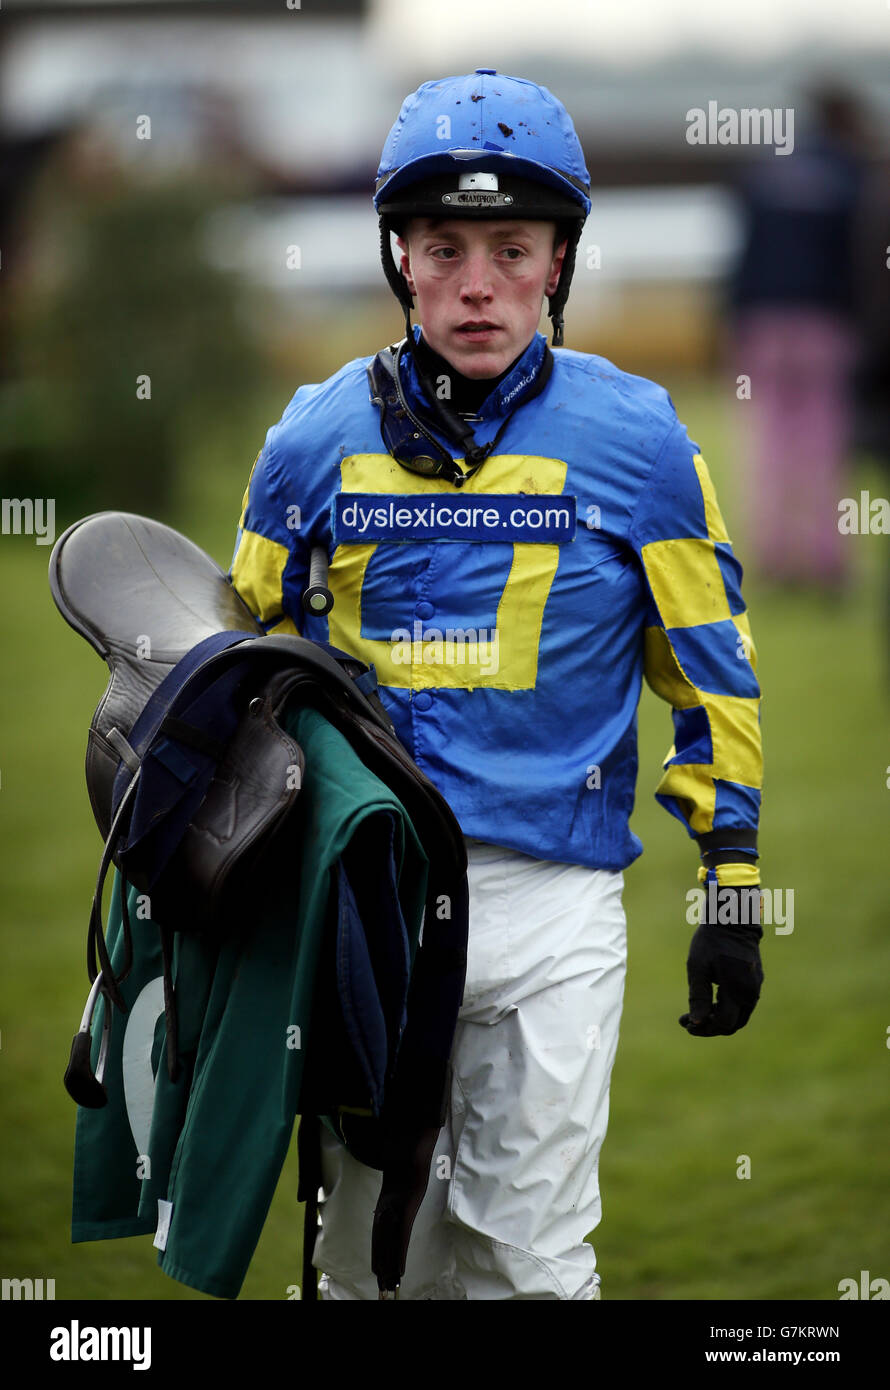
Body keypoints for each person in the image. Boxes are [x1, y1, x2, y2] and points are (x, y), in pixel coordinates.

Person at [229, 69, 764, 1301]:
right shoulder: (311, 437)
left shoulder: (641, 443)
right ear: (398, 258)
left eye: (510, 249)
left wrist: (731, 880)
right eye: (443, 247)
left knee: (528, 1260)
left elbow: (709, 671)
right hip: (366, 897)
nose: (477, 284)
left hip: (555, 902)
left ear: (557, 263)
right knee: (370, 1269)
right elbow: (237, 661)